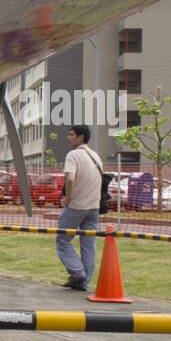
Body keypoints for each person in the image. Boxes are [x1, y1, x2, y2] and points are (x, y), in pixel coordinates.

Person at [56, 124, 103, 290]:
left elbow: (69, 178)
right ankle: (84, 282)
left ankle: (77, 272)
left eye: (71, 134)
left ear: (80, 137)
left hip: (77, 205)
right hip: (94, 207)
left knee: (62, 240)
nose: (68, 137)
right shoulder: (96, 156)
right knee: (88, 244)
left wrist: (67, 198)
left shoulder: (73, 155)